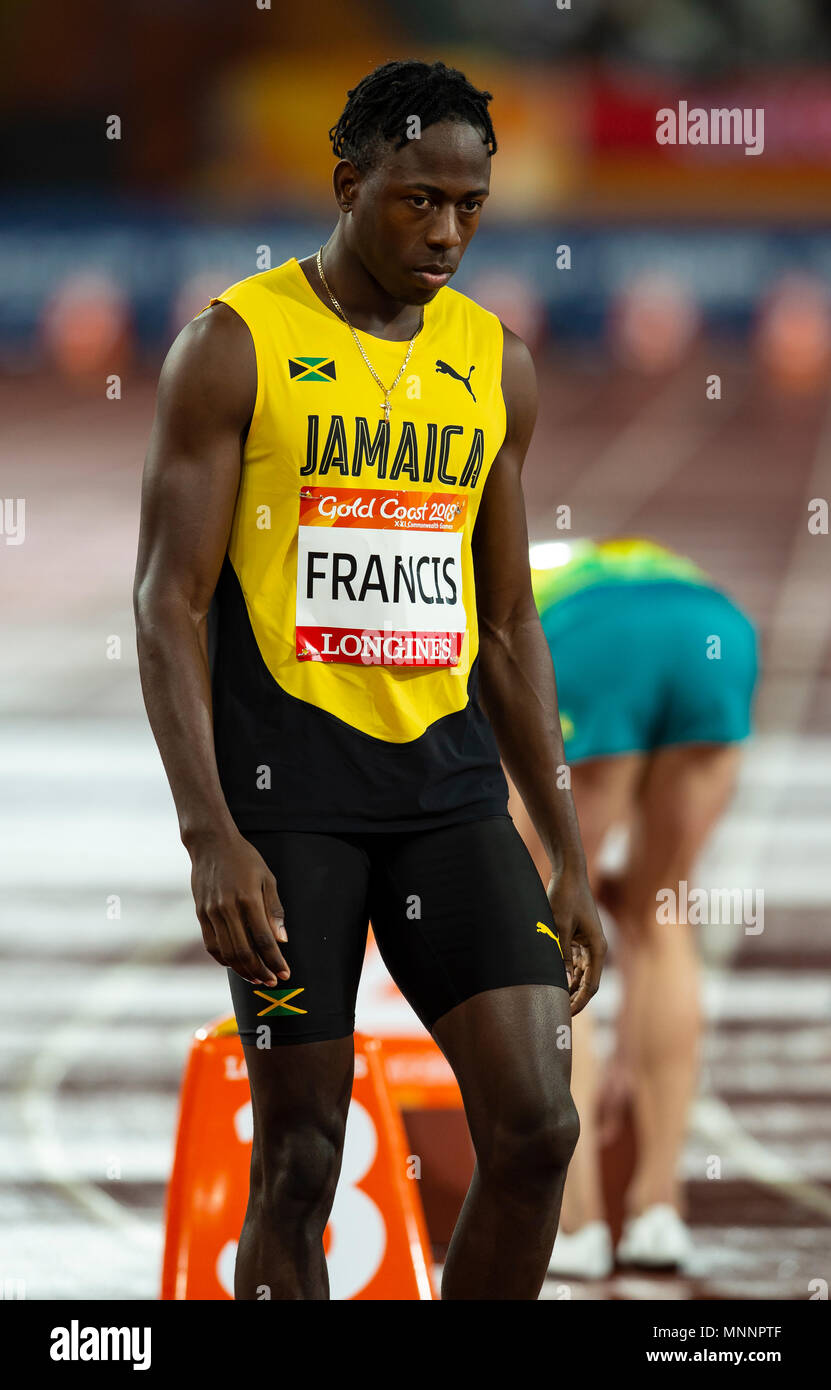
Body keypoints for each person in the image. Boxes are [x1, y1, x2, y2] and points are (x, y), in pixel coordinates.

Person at [133, 59, 605, 1301]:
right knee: (298, 1157)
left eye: (469, 206)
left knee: (537, 1125)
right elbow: (167, 602)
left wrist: (565, 849)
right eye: (417, 199)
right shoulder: (233, 348)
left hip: (446, 792)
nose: (446, 230)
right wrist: (211, 836)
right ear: (350, 182)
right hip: (291, 810)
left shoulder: (493, 363)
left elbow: (506, 622)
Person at [505, 536, 759, 1278]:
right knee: (660, 911)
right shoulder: (613, 560)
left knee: (543, 920)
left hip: (594, 645)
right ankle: (657, 1210)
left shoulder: (485, 584)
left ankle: (578, 1222)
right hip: (712, 631)